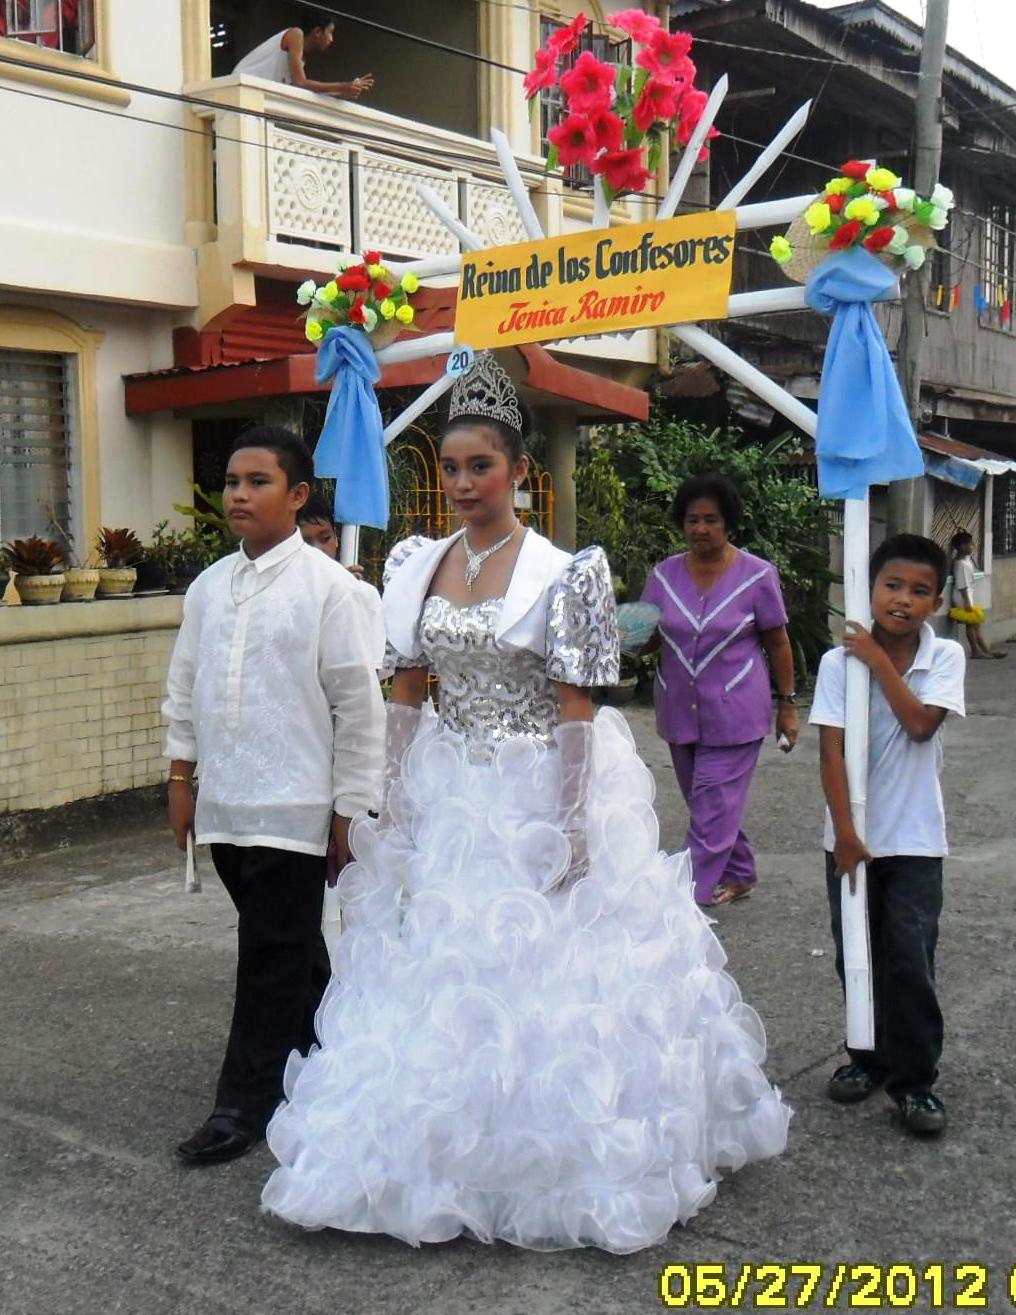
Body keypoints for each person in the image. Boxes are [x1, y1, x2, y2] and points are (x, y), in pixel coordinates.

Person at [261, 353, 789, 1253]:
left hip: (533, 781)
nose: (465, 485)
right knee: (434, 975)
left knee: (552, 985)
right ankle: (432, 1154)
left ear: (517, 471)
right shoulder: (417, 564)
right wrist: (387, 800)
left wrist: (572, 819)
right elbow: (406, 690)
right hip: (449, 784)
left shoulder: (563, 570)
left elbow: (580, 707)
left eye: (482, 467)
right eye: (453, 468)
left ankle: (549, 1159)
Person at [163, 425, 386, 1167]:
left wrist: (352, 807)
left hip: (297, 808)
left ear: (296, 497)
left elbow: (359, 704)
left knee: (266, 954)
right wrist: (179, 776)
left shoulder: (332, 590)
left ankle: (243, 1104)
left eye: (257, 481)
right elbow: (184, 686)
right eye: (231, 480)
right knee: (290, 954)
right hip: (227, 802)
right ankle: (341, 1052)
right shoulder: (207, 588)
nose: (237, 494)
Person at [809, 534, 965, 1136]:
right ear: (868, 587)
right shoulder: (835, 664)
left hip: (916, 842)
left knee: (909, 959)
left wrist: (877, 660)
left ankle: (916, 1081)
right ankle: (865, 1058)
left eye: (918, 591)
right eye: (891, 585)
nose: (902, 599)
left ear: (937, 601)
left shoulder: (943, 657)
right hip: (850, 841)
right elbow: (831, 750)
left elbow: (922, 725)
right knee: (858, 954)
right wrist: (845, 833)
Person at [640, 475, 798, 908]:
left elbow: (778, 641)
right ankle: (741, 870)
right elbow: (649, 635)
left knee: (711, 801)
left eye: (711, 520)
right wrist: (622, 634)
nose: (701, 529)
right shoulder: (663, 575)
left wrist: (788, 706)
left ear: (728, 523)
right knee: (708, 803)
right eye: (693, 520)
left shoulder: (757, 575)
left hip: (736, 711)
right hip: (678, 710)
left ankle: (686, 895)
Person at [233, 11, 373, 101]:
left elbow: (300, 88)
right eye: (330, 32)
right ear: (318, 31)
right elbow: (300, 82)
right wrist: (342, 86)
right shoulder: (295, 34)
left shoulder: (301, 57)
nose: (331, 39)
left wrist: (341, 92)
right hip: (239, 89)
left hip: (250, 95)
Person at [949, 531, 1004, 659]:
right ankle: (976, 651)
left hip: (968, 596)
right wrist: (967, 601)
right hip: (963, 598)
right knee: (971, 625)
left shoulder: (966, 561)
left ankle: (985, 650)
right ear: (962, 546)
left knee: (976, 624)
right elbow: (962, 585)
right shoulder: (961, 564)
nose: (973, 546)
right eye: (970, 544)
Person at [297, 491, 363, 578]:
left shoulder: (349, 585)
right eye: (307, 544)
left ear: (335, 537)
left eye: (325, 538)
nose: (318, 550)